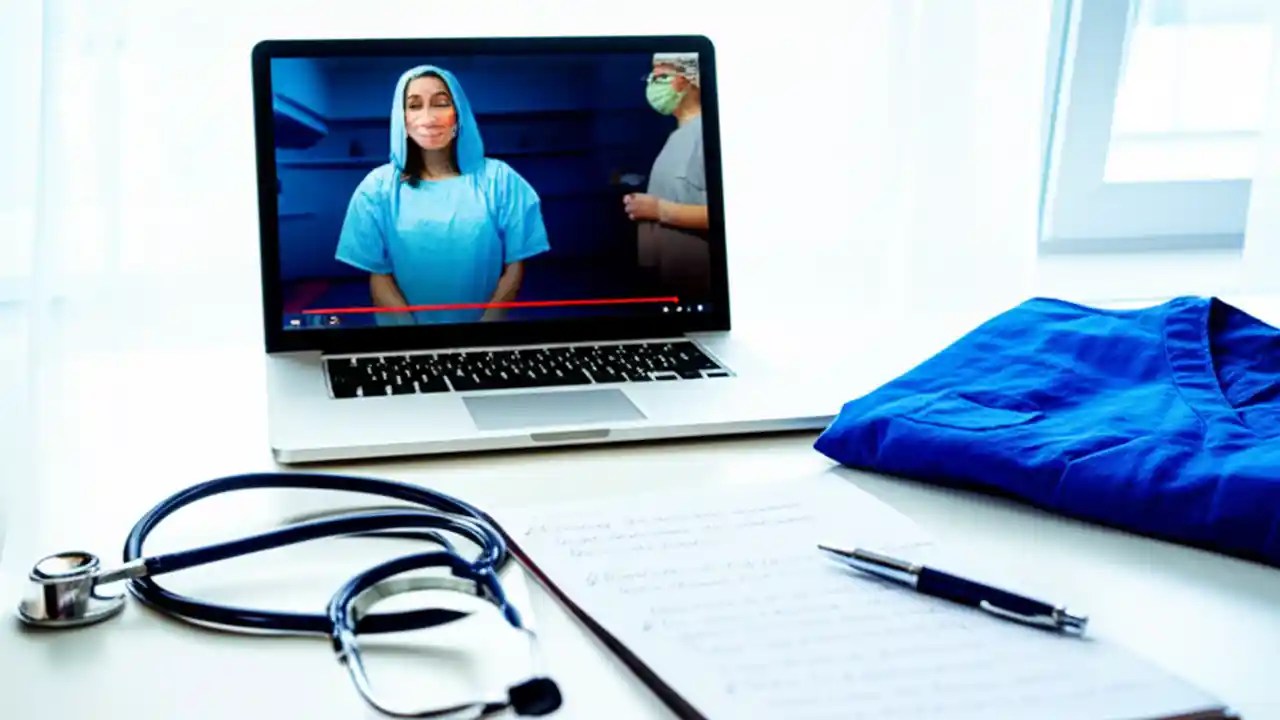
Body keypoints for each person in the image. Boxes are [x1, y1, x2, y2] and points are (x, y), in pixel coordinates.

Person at [335, 65, 550, 325]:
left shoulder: (500, 180)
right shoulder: (377, 187)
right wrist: (416, 342)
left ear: (458, 114)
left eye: (441, 103)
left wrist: (483, 331)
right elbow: (379, 275)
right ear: (401, 119)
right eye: (415, 106)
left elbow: (514, 267)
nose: (429, 117)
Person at [624, 52, 710, 303]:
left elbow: (727, 217)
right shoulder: (678, 136)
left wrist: (659, 209)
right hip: (673, 288)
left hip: (701, 289)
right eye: (651, 77)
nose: (652, 84)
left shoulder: (705, 134)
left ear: (687, 80)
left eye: (661, 76)